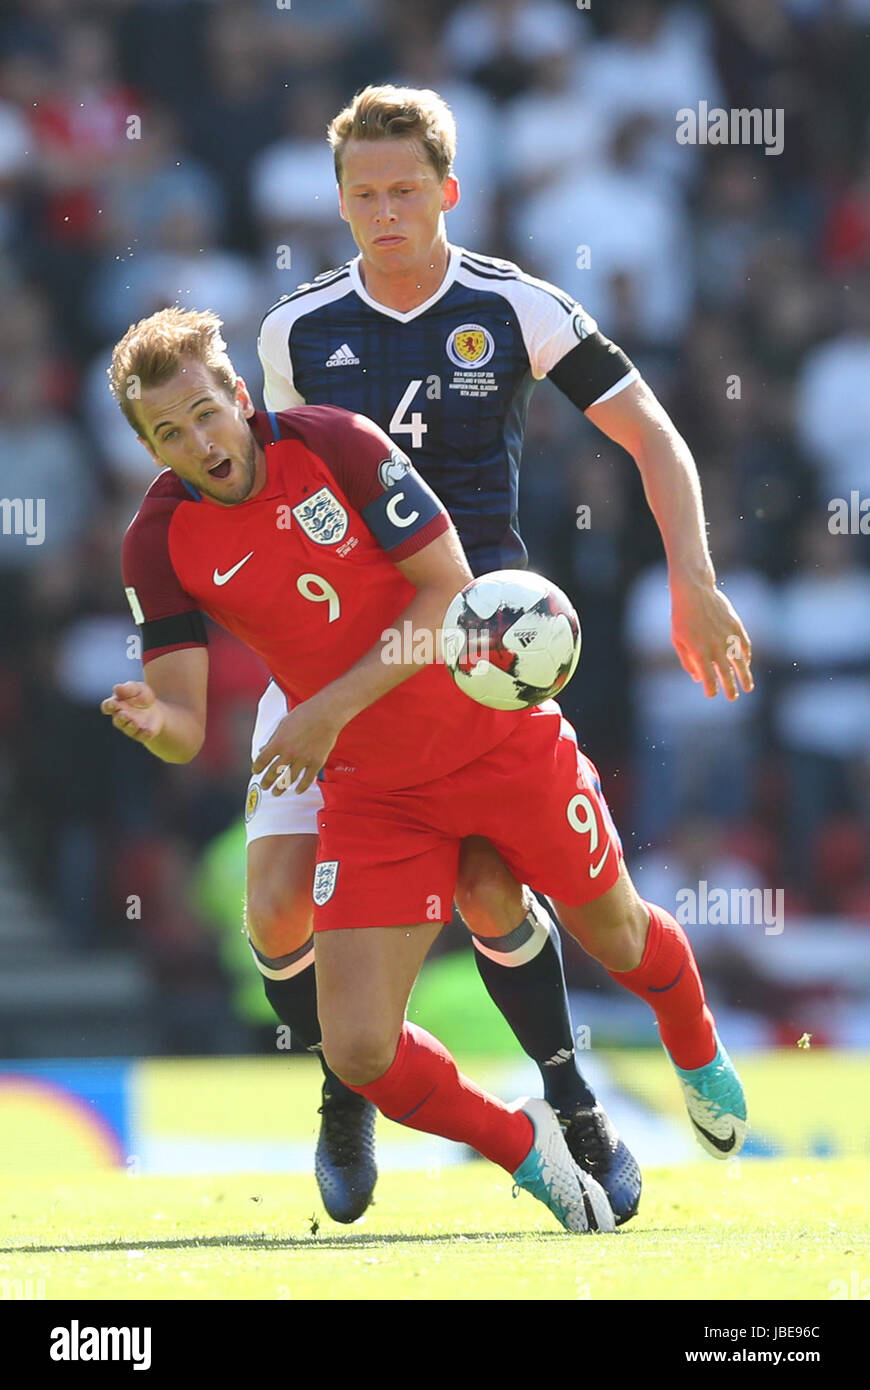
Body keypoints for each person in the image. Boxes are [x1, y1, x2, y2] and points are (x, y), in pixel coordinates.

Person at [102, 308, 748, 1233]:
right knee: (359, 1048)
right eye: (169, 432)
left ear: (239, 397)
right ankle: (527, 1149)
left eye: (206, 412)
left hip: (490, 734)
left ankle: (694, 1050)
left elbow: (449, 593)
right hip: (378, 790)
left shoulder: (335, 442)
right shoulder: (157, 539)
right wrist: (153, 721)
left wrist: (324, 708)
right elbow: (182, 719)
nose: (198, 441)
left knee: (615, 934)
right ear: (146, 446)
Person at [249, 86, 753, 1219]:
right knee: (279, 913)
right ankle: (371, 1094)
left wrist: (694, 579)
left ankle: (673, 1049)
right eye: (365, 193)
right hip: (352, 671)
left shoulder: (515, 307)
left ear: (449, 192)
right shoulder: (294, 333)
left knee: (591, 918)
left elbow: (652, 434)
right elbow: (278, 500)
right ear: (337, 200)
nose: (386, 211)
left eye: (407, 190)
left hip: (481, 654)